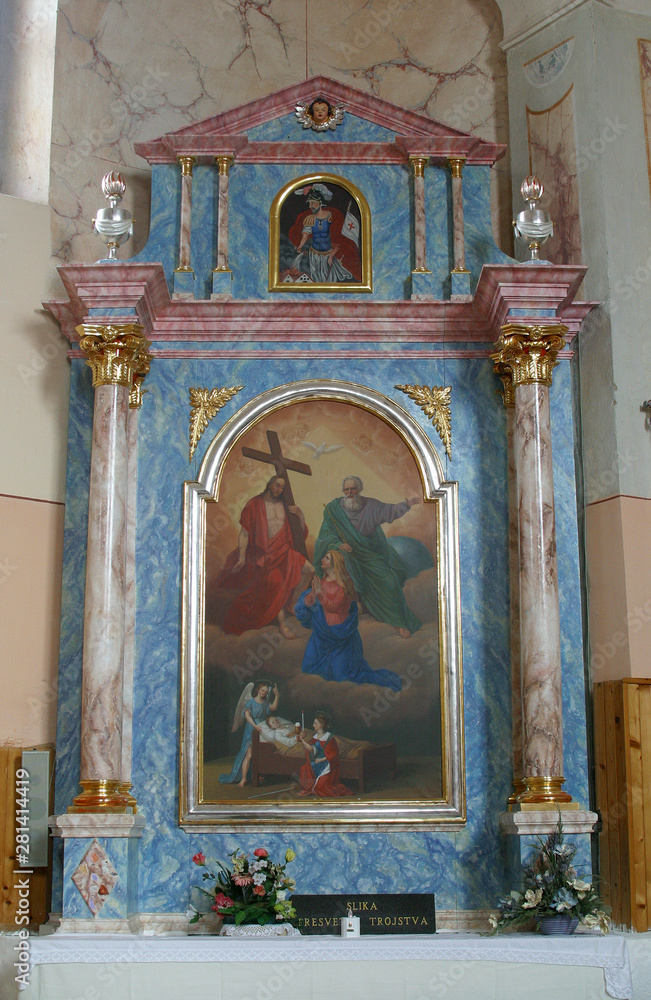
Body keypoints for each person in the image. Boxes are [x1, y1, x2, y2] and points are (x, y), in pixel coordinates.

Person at [313, 476, 422, 638]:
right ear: (343, 491)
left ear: (359, 490)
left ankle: (399, 622)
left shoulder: (371, 505)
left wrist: (406, 505)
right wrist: (338, 544)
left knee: (389, 581)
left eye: (353, 489)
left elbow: (389, 511)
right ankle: (355, 603)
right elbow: (325, 537)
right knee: (343, 561)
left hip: (369, 555)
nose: (350, 493)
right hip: (349, 554)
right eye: (347, 489)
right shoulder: (333, 509)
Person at [213, 475, 309, 639]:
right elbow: (244, 533)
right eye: (277, 485)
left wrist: (301, 517)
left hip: (284, 550)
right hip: (263, 556)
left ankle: (291, 603)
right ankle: (283, 625)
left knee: (309, 569)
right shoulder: (254, 504)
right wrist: (242, 557)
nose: (279, 489)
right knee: (276, 582)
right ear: (269, 484)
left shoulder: (286, 506)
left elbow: (298, 534)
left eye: (281, 487)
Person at [295, 551, 402, 690]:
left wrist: (319, 593)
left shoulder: (343, 586)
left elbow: (332, 607)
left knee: (344, 677)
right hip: (323, 632)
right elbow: (315, 597)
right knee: (311, 669)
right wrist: (310, 599)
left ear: (335, 564)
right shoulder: (323, 581)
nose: (322, 559)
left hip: (340, 635)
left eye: (326, 558)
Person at [288, 183, 360, 283]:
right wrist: (300, 246)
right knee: (316, 280)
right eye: (309, 203)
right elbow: (305, 235)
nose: (311, 206)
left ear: (320, 203)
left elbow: (337, 238)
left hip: (328, 254)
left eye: (313, 203)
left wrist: (331, 256)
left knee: (330, 280)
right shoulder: (309, 219)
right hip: (314, 256)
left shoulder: (331, 216)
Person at [219, 680, 279, 787]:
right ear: (258, 690)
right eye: (262, 690)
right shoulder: (251, 702)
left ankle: (255, 774)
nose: (264, 692)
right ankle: (243, 778)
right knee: (249, 754)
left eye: (265, 691)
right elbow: (247, 716)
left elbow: (273, 708)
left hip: (262, 728)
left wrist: (277, 696)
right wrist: (255, 726)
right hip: (251, 729)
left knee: (259, 753)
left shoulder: (265, 703)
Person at [298, 711, 353, 797]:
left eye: (315, 723)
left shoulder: (329, 738)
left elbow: (333, 754)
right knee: (304, 769)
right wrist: (302, 741)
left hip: (327, 766)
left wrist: (321, 759)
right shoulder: (315, 737)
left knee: (321, 788)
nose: (313, 725)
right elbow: (311, 750)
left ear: (322, 724)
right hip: (316, 764)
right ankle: (309, 788)